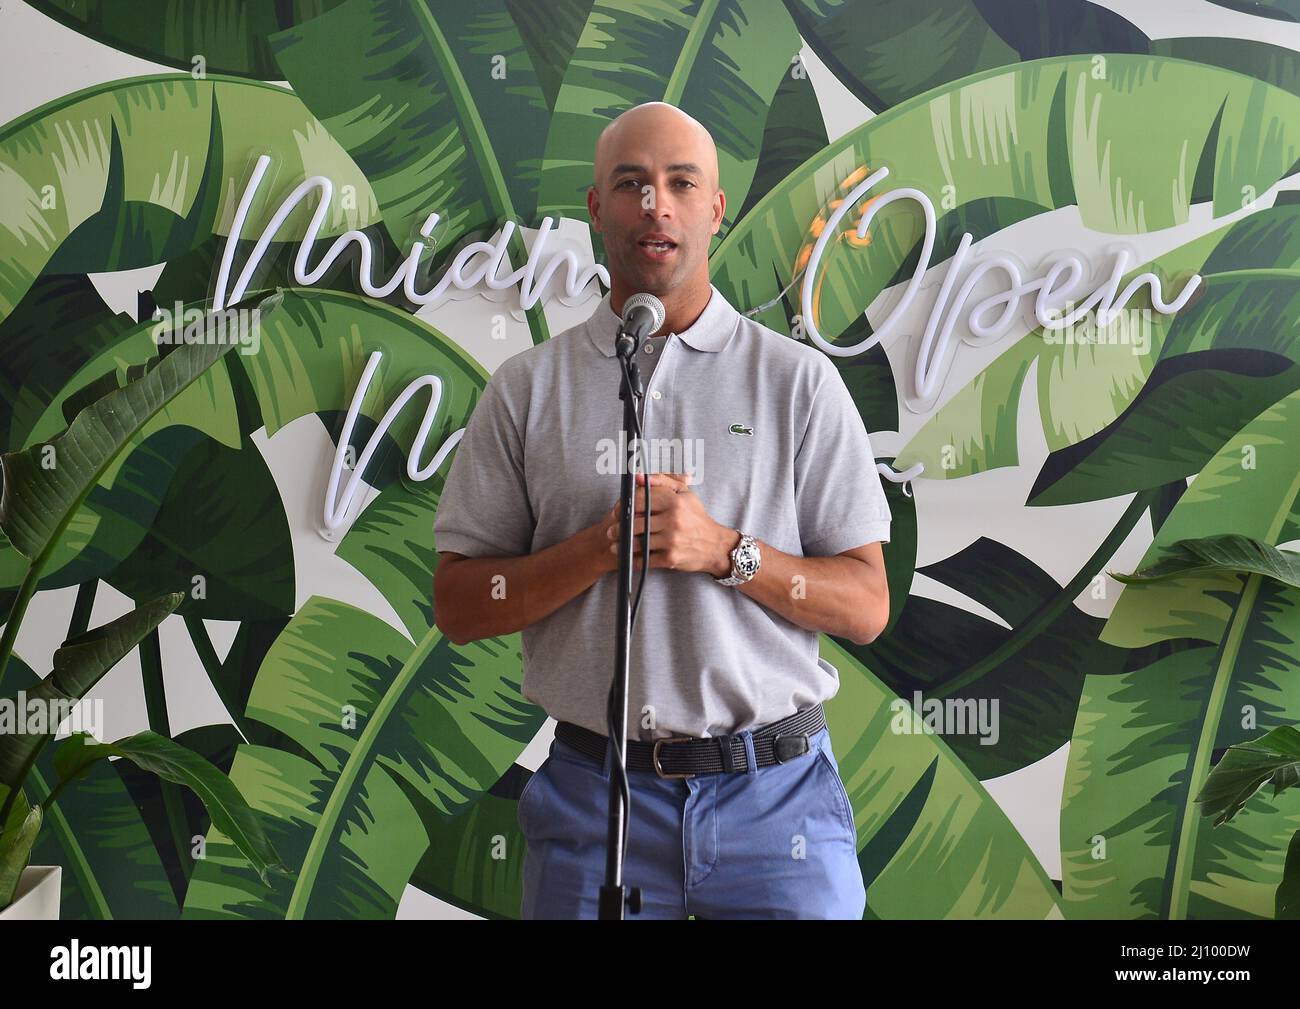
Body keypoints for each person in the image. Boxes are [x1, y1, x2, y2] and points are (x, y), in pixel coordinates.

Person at [433, 101, 892, 919]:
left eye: (681, 183)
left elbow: (865, 605)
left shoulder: (797, 383)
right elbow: (462, 605)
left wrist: (726, 551)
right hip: (593, 797)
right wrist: (600, 548)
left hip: (775, 801)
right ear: (597, 209)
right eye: (631, 184)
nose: (657, 205)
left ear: (715, 209)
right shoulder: (528, 389)